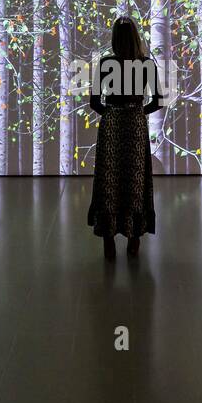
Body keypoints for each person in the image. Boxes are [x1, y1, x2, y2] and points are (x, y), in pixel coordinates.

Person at [88, 16, 163, 259]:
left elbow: (94, 102)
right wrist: (137, 112)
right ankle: (134, 239)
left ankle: (108, 240)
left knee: (109, 180)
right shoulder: (146, 64)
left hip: (111, 125)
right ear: (135, 37)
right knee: (134, 180)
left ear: (114, 39)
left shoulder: (105, 63)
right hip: (134, 126)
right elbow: (157, 101)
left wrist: (111, 113)